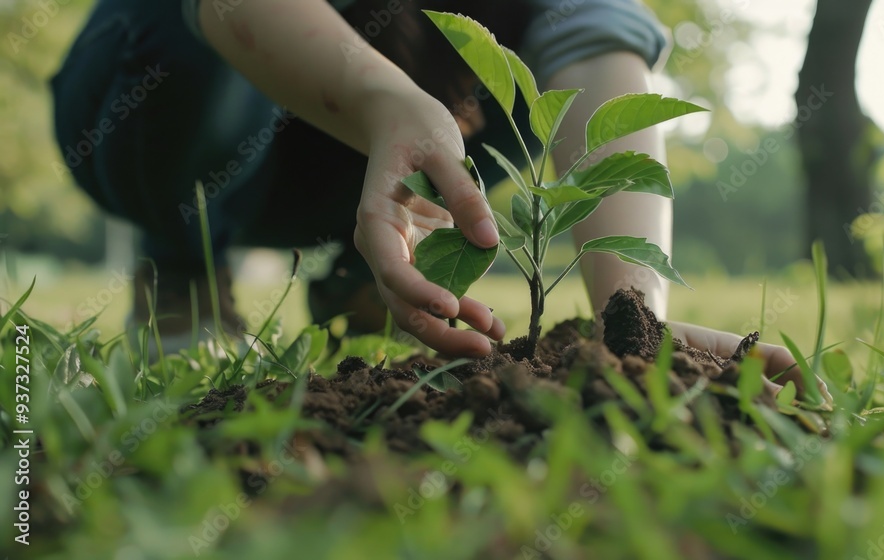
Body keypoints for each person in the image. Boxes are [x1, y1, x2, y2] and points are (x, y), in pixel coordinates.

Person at [51, 0, 824, 397]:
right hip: (159, 109)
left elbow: (592, 30)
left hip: (368, 150)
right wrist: (388, 102)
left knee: (521, 73)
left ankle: (384, 265)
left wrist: (634, 313)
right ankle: (185, 266)